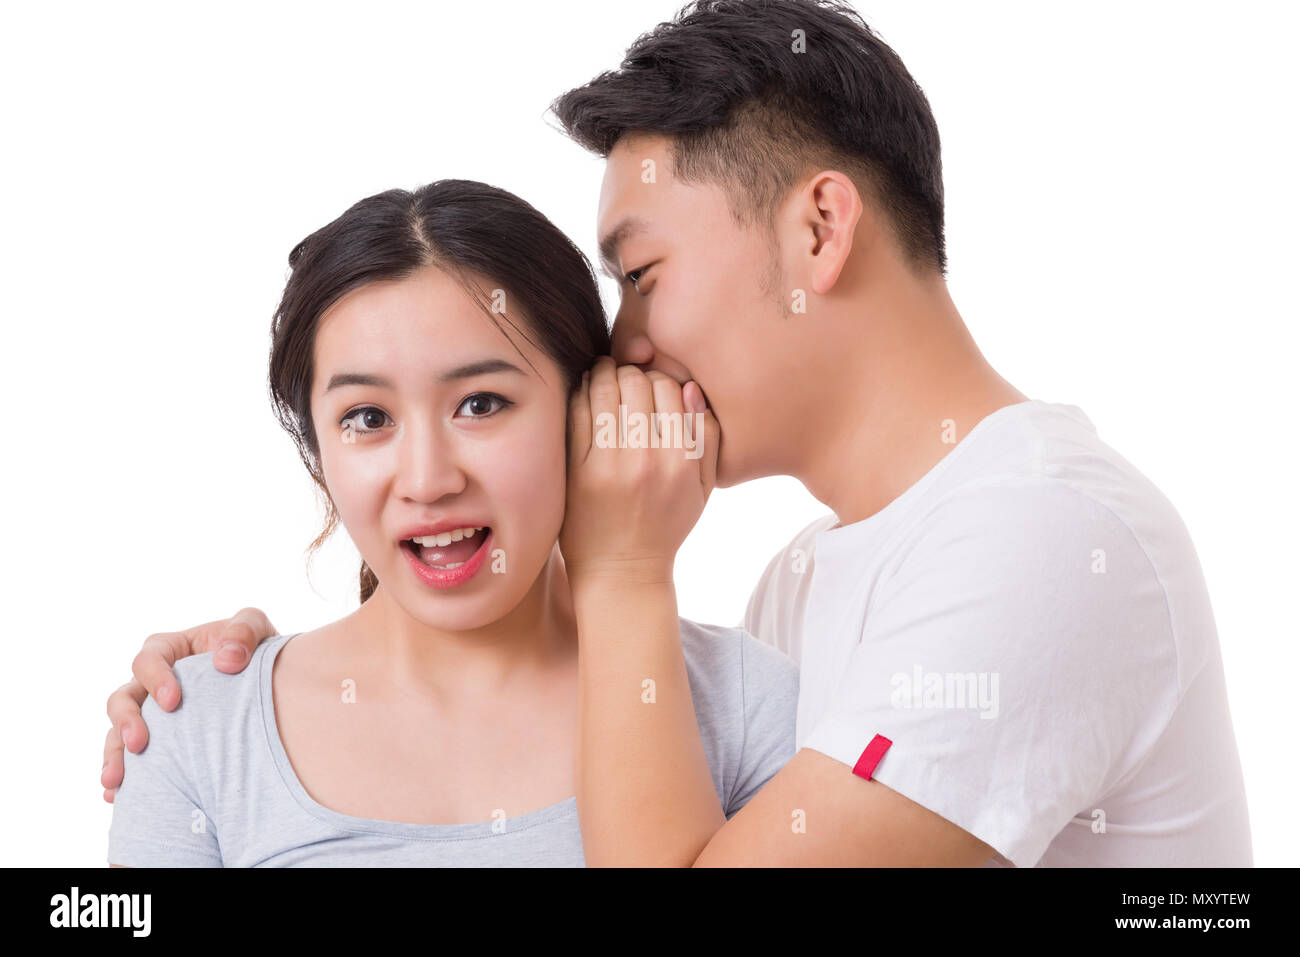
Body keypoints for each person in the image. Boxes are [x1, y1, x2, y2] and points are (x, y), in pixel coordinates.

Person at [104, 0, 1252, 867]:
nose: (626, 344)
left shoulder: (1039, 537)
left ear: (817, 230)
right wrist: (244, 683)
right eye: (361, 416)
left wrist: (617, 569)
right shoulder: (808, 582)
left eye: (642, 274)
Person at [106, 178, 798, 866]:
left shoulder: (751, 706)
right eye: (368, 419)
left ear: (588, 408)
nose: (429, 479)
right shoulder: (193, 731)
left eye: (482, 404)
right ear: (319, 455)